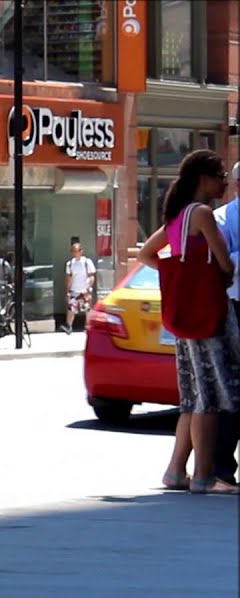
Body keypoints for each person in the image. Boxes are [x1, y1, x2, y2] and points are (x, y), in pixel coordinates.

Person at [136, 150, 240, 495]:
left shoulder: (177, 216)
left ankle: (175, 471)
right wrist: (212, 274)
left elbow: (146, 254)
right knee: (211, 399)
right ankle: (203, 476)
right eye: (220, 175)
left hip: (184, 318)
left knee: (192, 397)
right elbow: (225, 263)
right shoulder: (203, 214)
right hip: (209, 315)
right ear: (203, 179)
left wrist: (175, 271)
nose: (225, 182)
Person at [210, 162, 240, 487]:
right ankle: (221, 469)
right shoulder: (222, 218)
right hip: (235, 309)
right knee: (234, 390)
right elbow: (224, 263)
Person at [63, 241, 96, 334]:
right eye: (73, 251)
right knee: (71, 308)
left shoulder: (86, 262)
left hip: (85, 290)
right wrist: (67, 291)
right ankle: (69, 326)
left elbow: (91, 276)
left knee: (87, 309)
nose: (74, 253)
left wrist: (89, 288)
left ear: (81, 251)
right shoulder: (70, 264)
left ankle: (88, 327)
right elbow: (69, 278)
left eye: (76, 251)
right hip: (74, 290)